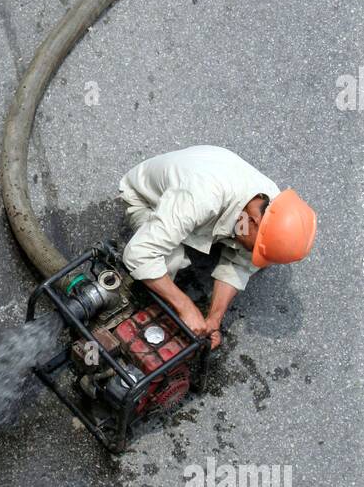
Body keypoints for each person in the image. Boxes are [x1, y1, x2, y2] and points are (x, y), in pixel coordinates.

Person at [118, 147, 317, 348]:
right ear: (255, 221)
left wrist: (214, 319)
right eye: (256, 248)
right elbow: (138, 254)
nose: (253, 255)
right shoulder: (200, 199)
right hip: (148, 199)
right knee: (170, 261)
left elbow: (240, 265)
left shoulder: (270, 207)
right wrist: (185, 307)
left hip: (205, 203)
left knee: (251, 251)